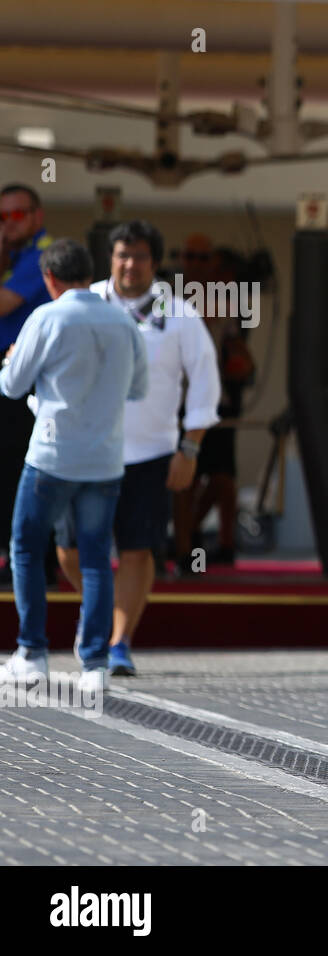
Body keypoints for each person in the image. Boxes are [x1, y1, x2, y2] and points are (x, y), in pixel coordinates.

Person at [55, 220, 221, 678]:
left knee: (136, 549)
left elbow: (206, 381)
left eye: (141, 256)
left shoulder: (179, 314)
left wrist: (190, 448)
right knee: (69, 550)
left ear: (154, 262)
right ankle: (102, 612)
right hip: (83, 452)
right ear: (110, 259)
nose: (130, 264)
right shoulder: (81, 304)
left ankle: (119, 641)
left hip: (150, 455)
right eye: (122, 255)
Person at [0, 239, 147, 692]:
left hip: (51, 454)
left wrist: (15, 366)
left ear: (49, 279)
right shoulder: (123, 321)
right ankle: (95, 664)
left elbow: (11, 384)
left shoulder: (47, 316)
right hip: (104, 459)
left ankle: (32, 653)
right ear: (91, 271)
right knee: (98, 560)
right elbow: (138, 389)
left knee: (25, 547)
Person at [176, 238, 252, 569]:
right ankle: (182, 549)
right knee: (185, 480)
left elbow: (236, 350)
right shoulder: (168, 299)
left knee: (221, 476)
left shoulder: (227, 302)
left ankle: (211, 541)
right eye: (190, 256)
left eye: (204, 258)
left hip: (216, 403)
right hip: (178, 403)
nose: (197, 264)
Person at [0, 185, 55, 582]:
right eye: (3, 217)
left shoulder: (42, 255)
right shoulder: (14, 255)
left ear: (37, 216)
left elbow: (5, 303)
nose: (9, 224)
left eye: (18, 215)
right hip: (9, 374)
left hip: (31, 378)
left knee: (27, 466)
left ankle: (37, 560)